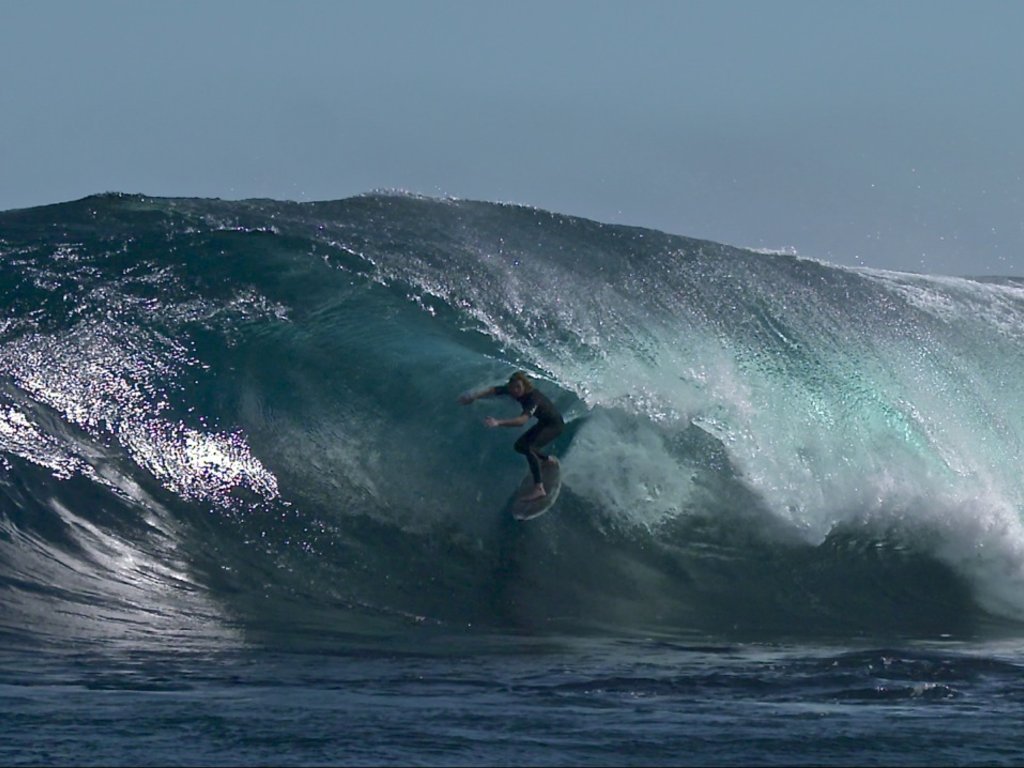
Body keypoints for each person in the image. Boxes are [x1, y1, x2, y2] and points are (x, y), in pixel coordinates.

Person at [458, 371, 564, 501]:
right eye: (513, 387)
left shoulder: (533, 398)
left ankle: (539, 488)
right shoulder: (513, 390)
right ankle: (546, 460)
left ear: (525, 385)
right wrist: (473, 397)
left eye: (518, 387)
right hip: (544, 422)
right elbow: (494, 390)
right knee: (519, 446)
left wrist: (498, 422)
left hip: (554, 425)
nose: (515, 390)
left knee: (529, 447)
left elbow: (522, 421)